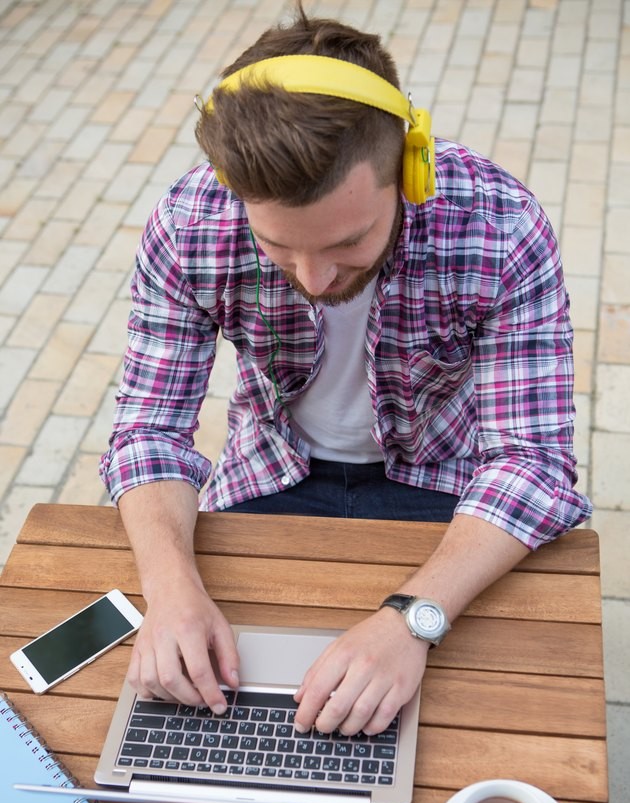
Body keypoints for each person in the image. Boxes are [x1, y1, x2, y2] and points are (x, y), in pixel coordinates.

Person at [100, 5, 591, 738]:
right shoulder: (189, 223)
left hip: (442, 488)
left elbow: (534, 464)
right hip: (271, 473)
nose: (314, 275)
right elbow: (148, 429)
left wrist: (412, 620)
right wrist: (170, 590)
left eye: (349, 240)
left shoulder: (501, 224)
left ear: (409, 170)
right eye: (278, 246)